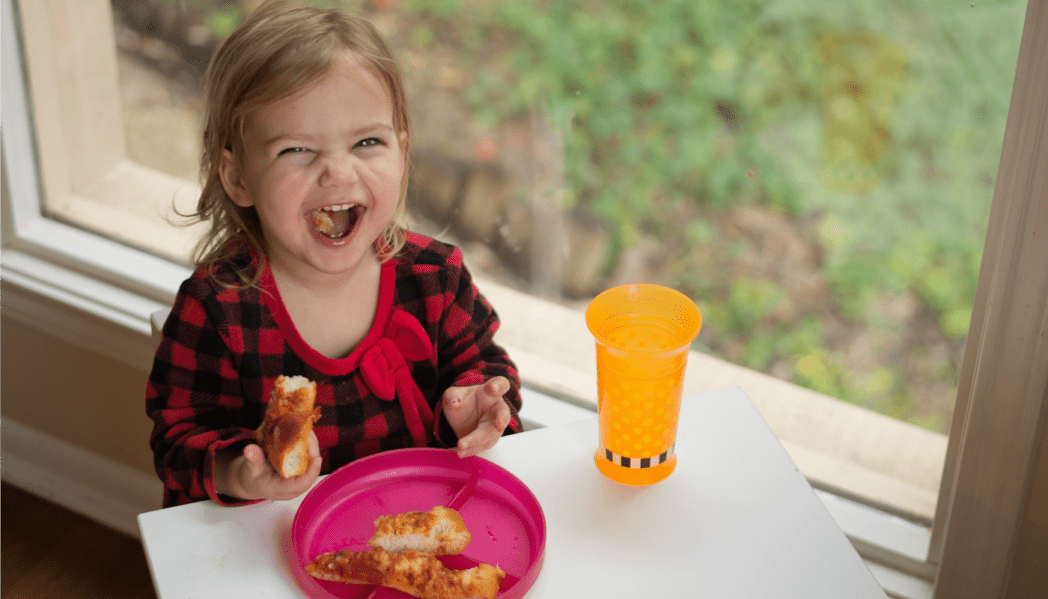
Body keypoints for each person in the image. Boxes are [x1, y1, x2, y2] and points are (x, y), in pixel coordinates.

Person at [146, 0, 522, 508]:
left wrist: (477, 406)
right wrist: (243, 472)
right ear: (238, 178)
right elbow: (178, 441)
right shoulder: (217, 309)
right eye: (297, 149)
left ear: (403, 153)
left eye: (368, 141)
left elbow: (485, 367)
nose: (338, 174)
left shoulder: (436, 278)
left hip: (417, 526)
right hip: (274, 542)